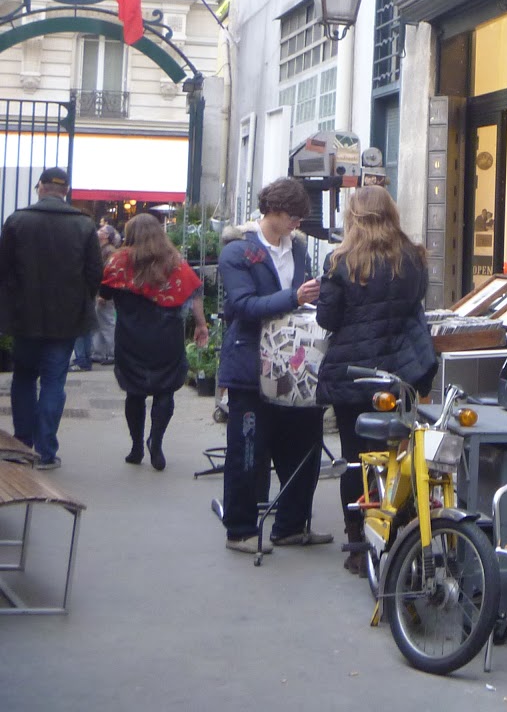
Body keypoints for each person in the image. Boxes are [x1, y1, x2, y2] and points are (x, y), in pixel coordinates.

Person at [315, 186, 436, 573]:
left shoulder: (341, 261)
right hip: (399, 373)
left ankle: (356, 545)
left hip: (353, 375)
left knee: (355, 459)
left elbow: (327, 319)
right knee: (397, 456)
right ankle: (397, 534)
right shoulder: (413, 259)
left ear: (354, 216)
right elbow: (413, 305)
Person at [216, 178, 331, 553]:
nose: (297, 224)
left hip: (293, 364)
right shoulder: (238, 252)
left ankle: (291, 525)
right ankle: (241, 530)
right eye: (293, 217)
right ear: (274, 213)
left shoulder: (297, 251)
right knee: (248, 450)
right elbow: (242, 305)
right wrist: (293, 297)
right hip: (249, 364)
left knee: (304, 444)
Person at [0, 167, 104, 470]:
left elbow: (3, 270)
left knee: (23, 378)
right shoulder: (84, 225)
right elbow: (95, 273)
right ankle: (45, 451)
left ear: (41, 188)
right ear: (66, 191)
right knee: (54, 382)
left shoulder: (17, 221)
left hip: (24, 317)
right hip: (66, 319)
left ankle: (22, 445)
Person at [100, 214, 202, 470]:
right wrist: (201, 324)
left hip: (131, 336)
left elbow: (105, 293)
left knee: (134, 392)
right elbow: (194, 290)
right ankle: (155, 442)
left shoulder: (119, 260)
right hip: (167, 337)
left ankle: (135, 447)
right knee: (164, 390)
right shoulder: (174, 261)